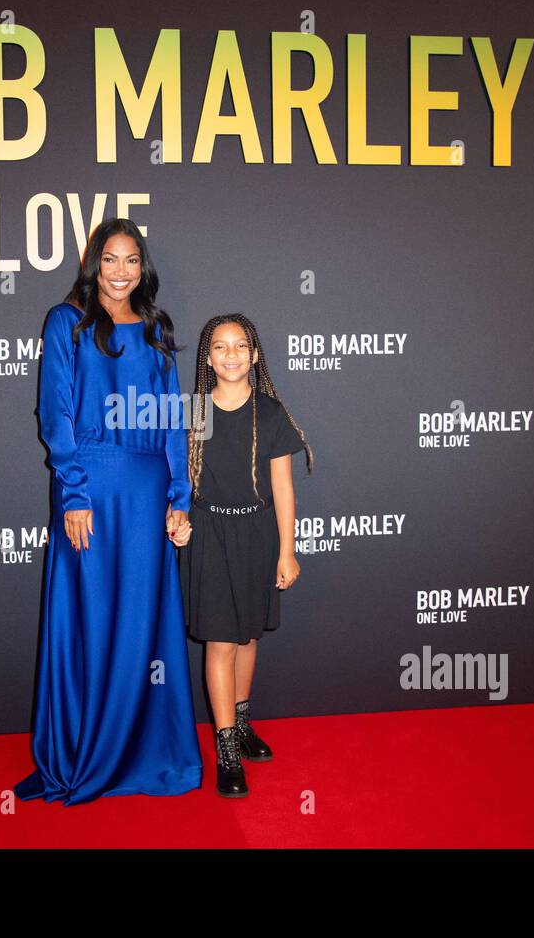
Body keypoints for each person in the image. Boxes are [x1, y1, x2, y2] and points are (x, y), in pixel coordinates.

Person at [14, 218, 202, 806]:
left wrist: (179, 496)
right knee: (92, 615)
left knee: (143, 618)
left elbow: (172, 418)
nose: (121, 271)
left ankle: (146, 749)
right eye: (111, 259)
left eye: (132, 260)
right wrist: (73, 491)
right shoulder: (66, 322)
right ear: (94, 263)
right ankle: (85, 746)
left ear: (143, 268)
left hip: (147, 491)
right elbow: (55, 414)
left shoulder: (155, 327)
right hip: (90, 488)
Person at [180, 313, 314, 797]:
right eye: (220, 346)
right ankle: (225, 748)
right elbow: (179, 479)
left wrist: (288, 551)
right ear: (207, 357)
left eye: (241, 346)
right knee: (220, 641)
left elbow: (283, 486)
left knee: (248, 636)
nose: (231, 354)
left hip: (257, 534)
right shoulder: (193, 411)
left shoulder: (270, 412)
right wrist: (177, 518)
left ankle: (239, 722)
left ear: (254, 356)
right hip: (209, 535)